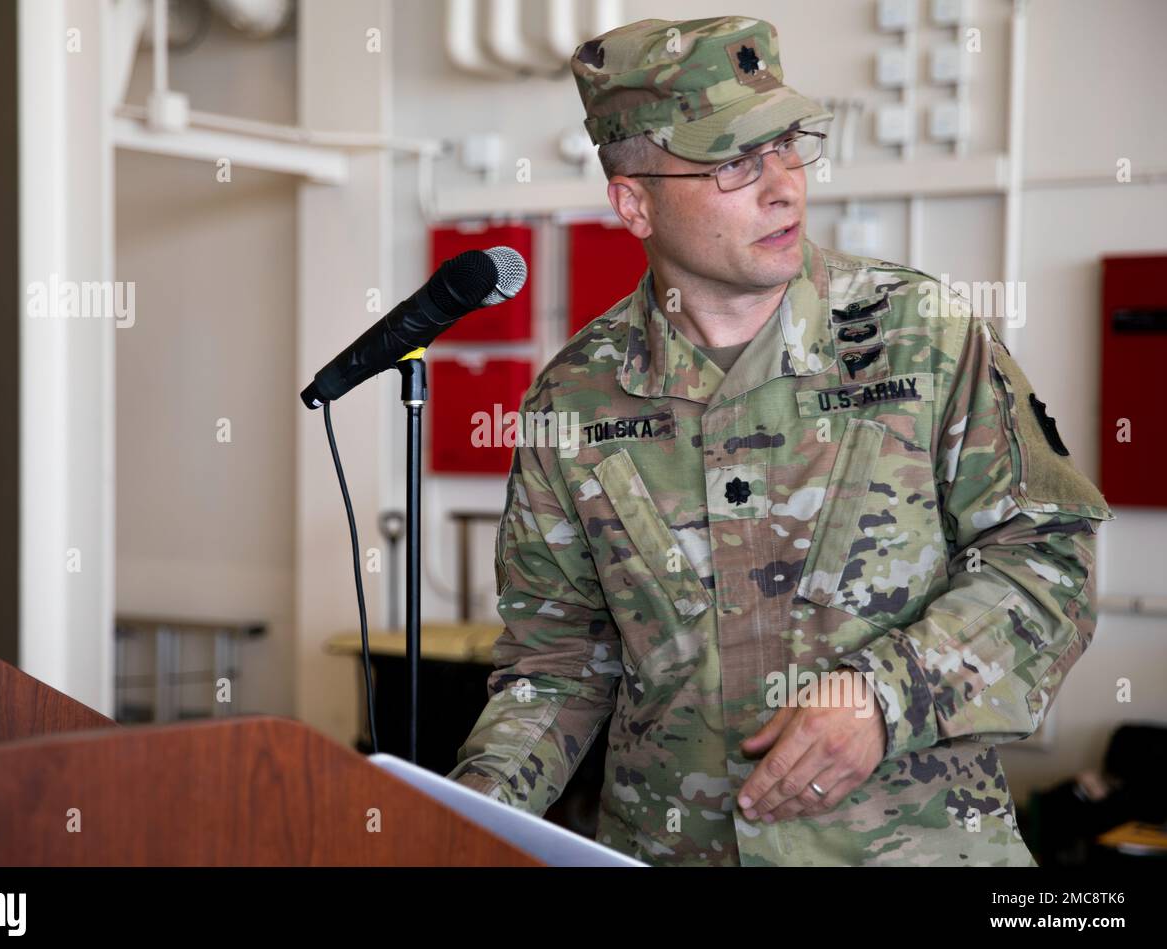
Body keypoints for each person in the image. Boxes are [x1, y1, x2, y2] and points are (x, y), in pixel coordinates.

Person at [448, 15, 1114, 866]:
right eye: (733, 160)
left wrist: (889, 697)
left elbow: (1049, 560)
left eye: (790, 145)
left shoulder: (922, 337)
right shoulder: (575, 400)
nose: (784, 187)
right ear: (633, 202)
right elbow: (558, 661)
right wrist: (472, 813)